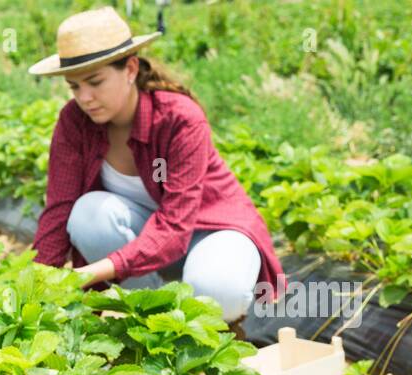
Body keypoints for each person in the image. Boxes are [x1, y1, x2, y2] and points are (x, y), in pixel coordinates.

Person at [29, 7, 283, 321]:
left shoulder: (178, 118)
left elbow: (175, 228)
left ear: (131, 69)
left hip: (210, 230)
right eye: (75, 86)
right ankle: (155, 320)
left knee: (217, 289)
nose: (85, 97)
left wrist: (88, 274)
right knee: (87, 214)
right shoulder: (75, 122)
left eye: (95, 82)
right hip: (147, 238)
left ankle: (209, 330)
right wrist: (36, 291)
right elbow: (59, 210)